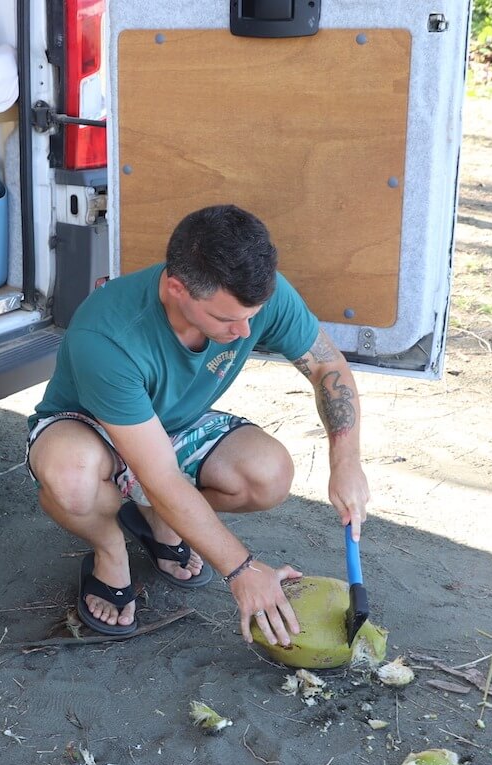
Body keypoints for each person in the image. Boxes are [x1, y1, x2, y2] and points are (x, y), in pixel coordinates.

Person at [26, 205, 369, 643]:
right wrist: (242, 569)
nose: (246, 331)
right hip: (88, 429)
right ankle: (110, 549)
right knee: (71, 479)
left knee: (268, 476)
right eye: (227, 320)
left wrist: (346, 461)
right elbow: (164, 476)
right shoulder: (107, 335)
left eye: (254, 314)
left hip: (172, 424)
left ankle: (156, 519)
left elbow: (327, 367)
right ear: (176, 288)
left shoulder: (253, 297)